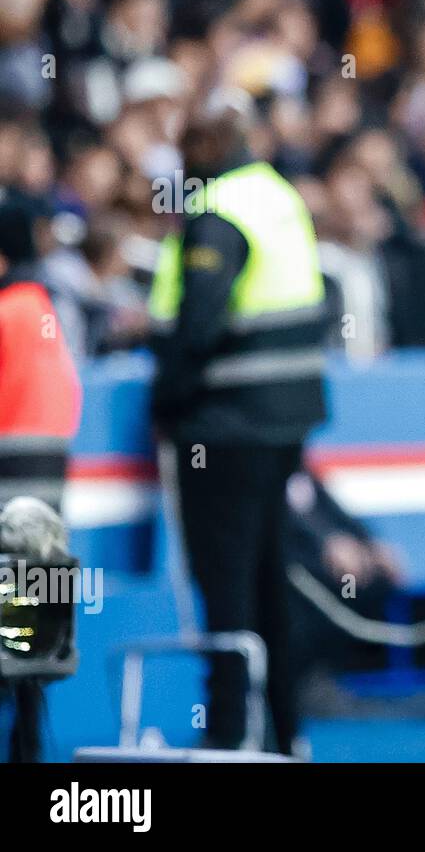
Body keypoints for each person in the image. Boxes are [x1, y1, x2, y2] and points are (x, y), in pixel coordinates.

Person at [148, 89, 328, 754]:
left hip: (224, 426)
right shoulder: (279, 195)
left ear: (205, 146)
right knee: (267, 582)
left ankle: (225, 736)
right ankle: (285, 733)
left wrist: (164, 402)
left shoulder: (217, 212)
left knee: (225, 588)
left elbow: (197, 326)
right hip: (284, 423)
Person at [0, 207, 82, 512]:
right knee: (39, 552)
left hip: (9, 453)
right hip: (50, 451)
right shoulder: (39, 302)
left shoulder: (7, 310)